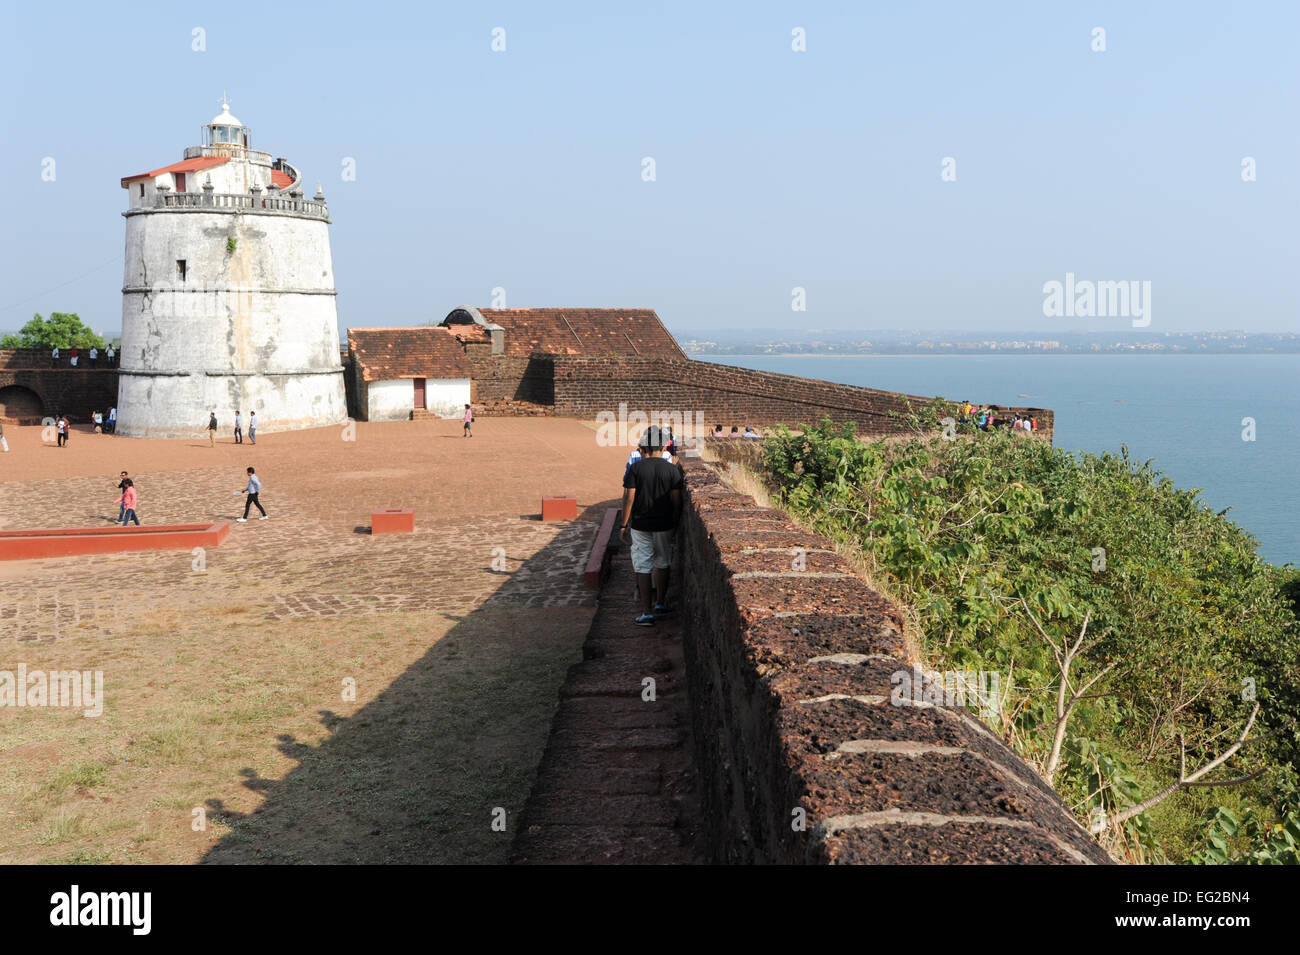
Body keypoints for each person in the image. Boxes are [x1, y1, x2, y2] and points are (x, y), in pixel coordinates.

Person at [620, 426, 683, 627]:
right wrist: (674, 522)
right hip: (664, 523)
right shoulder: (672, 470)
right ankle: (661, 603)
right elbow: (676, 501)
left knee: (642, 565)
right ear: (664, 446)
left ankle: (646, 611)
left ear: (643, 447)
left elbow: (629, 498)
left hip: (641, 523)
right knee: (663, 562)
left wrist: (623, 525)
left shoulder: (636, 469)